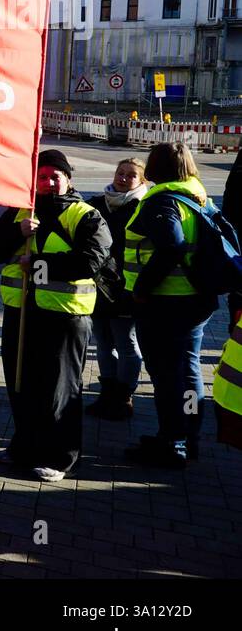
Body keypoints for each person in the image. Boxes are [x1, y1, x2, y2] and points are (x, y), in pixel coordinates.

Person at [0, 149, 111, 483]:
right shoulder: (20, 211)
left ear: (68, 179)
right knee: (21, 384)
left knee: (59, 389)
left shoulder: (85, 215)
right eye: (42, 177)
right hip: (22, 312)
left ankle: (61, 457)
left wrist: (39, 266)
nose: (49, 182)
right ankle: (24, 447)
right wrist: (17, 233)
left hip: (65, 318)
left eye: (56, 176)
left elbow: (92, 260)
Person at [123, 142, 218, 467]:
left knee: (165, 376)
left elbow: (172, 246)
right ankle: (187, 437)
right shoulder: (198, 197)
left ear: (155, 167)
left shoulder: (162, 201)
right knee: (189, 371)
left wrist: (142, 289)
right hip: (196, 300)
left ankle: (171, 441)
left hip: (166, 303)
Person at [84, 158, 147, 420]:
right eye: (120, 173)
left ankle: (124, 396)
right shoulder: (97, 203)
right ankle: (107, 392)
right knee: (103, 341)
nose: (122, 178)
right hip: (98, 286)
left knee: (126, 342)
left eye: (131, 175)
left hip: (126, 287)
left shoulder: (142, 206)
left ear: (141, 181)